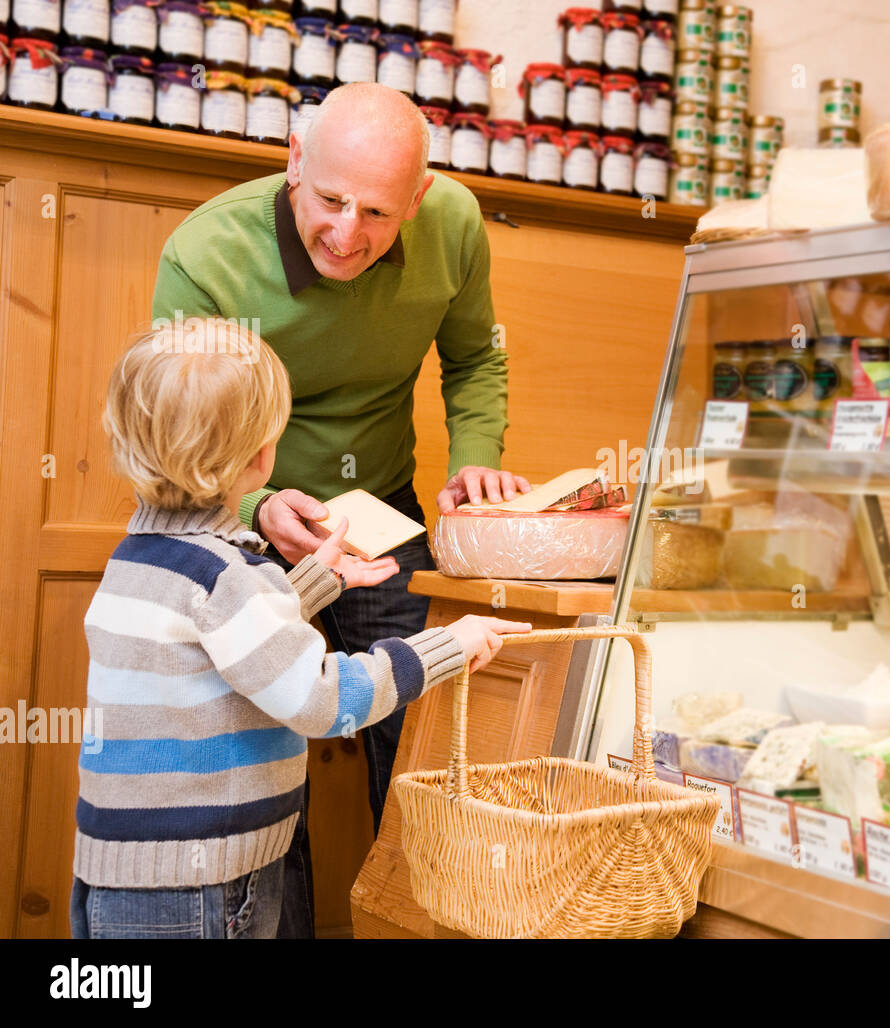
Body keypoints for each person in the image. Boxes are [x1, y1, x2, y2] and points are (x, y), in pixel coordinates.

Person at [150, 83, 530, 936]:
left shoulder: (457, 225)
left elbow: (475, 361)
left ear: (420, 201)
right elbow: (176, 432)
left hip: (383, 518)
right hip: (236, 522)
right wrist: (251, 498)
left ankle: (424, 923)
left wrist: (475, 466)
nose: (347, 234)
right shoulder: (204, 252)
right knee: (261, 757)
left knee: (423, 747)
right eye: (329, 200)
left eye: (379, 213)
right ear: (293, 159)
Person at [71, 320, 530, 939]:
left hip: (120, 874)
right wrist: (444, 648)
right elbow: (319, 700)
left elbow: (224, 645)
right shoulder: (229, 577)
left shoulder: (141, 556)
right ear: (263, 457)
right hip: (206, 887)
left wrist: (316, 580)